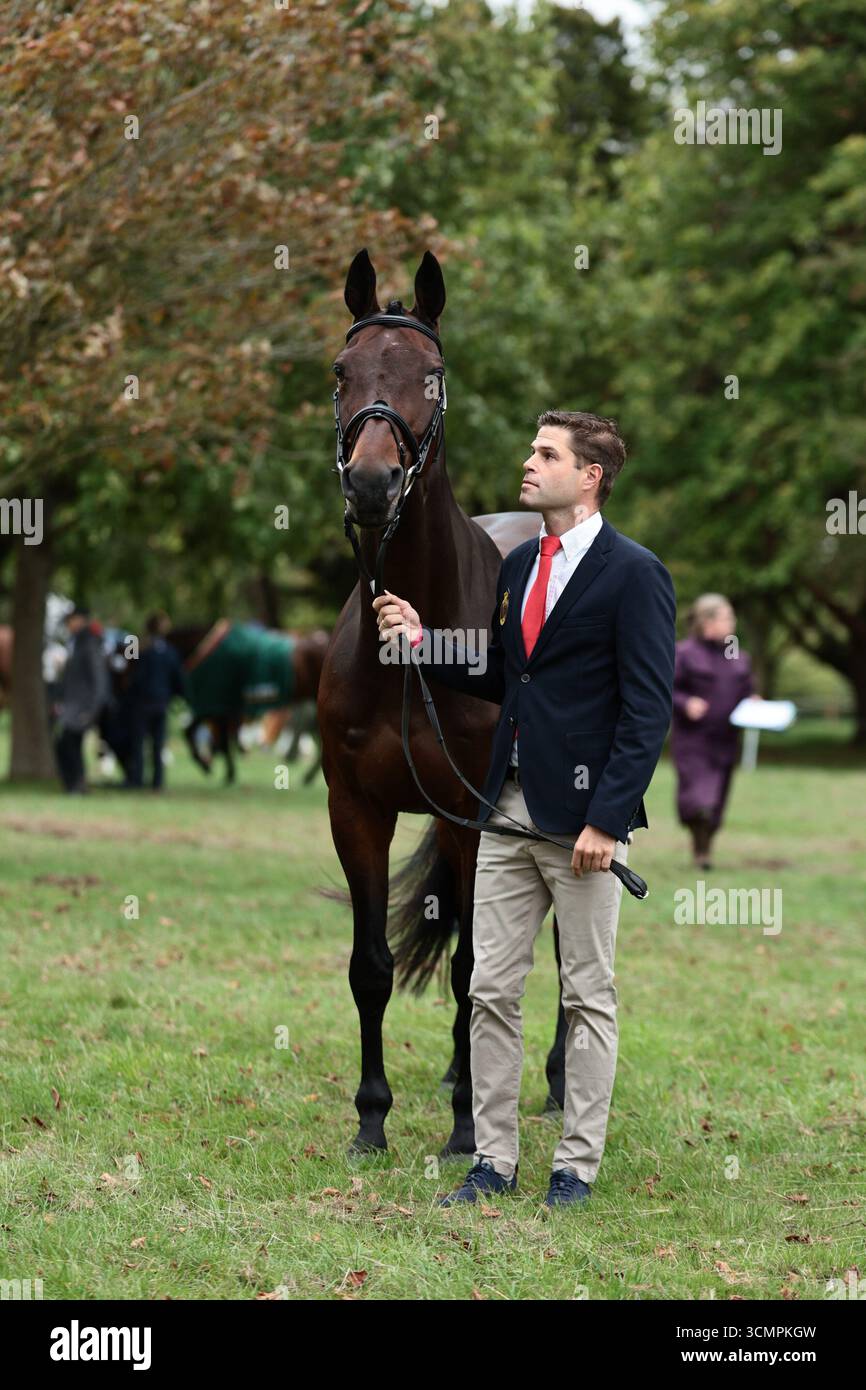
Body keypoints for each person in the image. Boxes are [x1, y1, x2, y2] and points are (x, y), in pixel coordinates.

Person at [374, 409, 675, 1209]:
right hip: (502, 815)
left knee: (587, 998)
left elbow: (647, 712)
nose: (529, 462)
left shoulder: (635, 573)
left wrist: (607, 821)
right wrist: (421, 639)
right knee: (490, 991)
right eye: (532, 448)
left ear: (591, 476)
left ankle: (574, 1168)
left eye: (547, 453)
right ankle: (493, 1162)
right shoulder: (518, 569)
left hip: (584, 829)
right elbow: (504, 674)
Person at [671, 593, 755, 870]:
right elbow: (666, 690)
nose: (732, 623)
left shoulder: (736, 654)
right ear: (707, 622)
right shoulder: (684, 653)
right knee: (700, 798)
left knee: (716, 802)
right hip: (693, 741)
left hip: (726, 740)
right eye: (726, 617)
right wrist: (685, 703)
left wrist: (755, 701)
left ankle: (703, 851)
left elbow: (747, 689)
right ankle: (700, 849)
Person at [125, 611, 185, 790]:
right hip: (161, 701)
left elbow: (128, 672)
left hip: (141, 702)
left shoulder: (137, 646)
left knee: (138, 742)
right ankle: (158, 781)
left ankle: (137, 779)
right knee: (158, 743)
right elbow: (178, 679)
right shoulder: (171, 651)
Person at [54, 606, 110, 793]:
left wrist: (92, 709)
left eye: (71, 621)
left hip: (83, 707)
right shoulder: (77, 642)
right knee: (68, 745)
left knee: (67, 744)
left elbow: (98, 679)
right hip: (73, 705)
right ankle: (75, 784)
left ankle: (76, 784)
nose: (69, 625)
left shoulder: (90, 643)